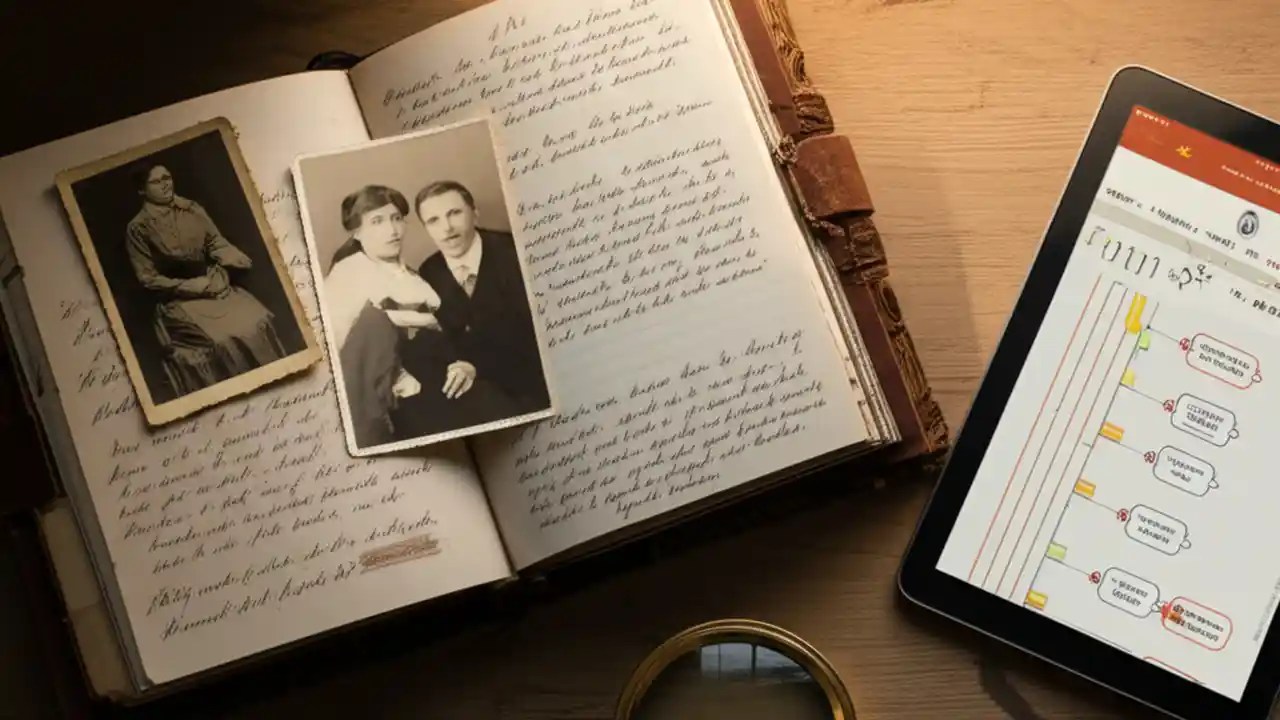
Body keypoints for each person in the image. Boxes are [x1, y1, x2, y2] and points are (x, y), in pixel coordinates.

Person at [324, 185, 502, 448]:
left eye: (397, 218)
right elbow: (346, 352)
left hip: (448, 375)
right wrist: (399, 379)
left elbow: (447, 334)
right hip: (401, 393)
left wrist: (461, 363)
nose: (392, 230)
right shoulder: (348, 275)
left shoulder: (416, 276)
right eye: (377, 221)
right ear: (357, 232)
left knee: (498, 404)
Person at [125, 163, 284, 398]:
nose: (166, 184)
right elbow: (147, 278)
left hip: (212, 285)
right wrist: (186, 286)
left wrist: (232, 256)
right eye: (157, 181)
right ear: (142, 190)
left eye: (167, 177)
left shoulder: (192, 209)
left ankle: (278, 388)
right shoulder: (138, 228)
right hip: (178, 300)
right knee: (224, 340)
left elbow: (214, 242)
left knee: (257, 321)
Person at [412, 180, 551, 417]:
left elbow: (540, 335)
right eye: (433, 220)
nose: (446, 228)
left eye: (454, 213)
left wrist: (475, 366)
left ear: (475, 214)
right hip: (478, 396)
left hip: (537, 388)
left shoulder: (517, 253)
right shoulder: (428, 272)